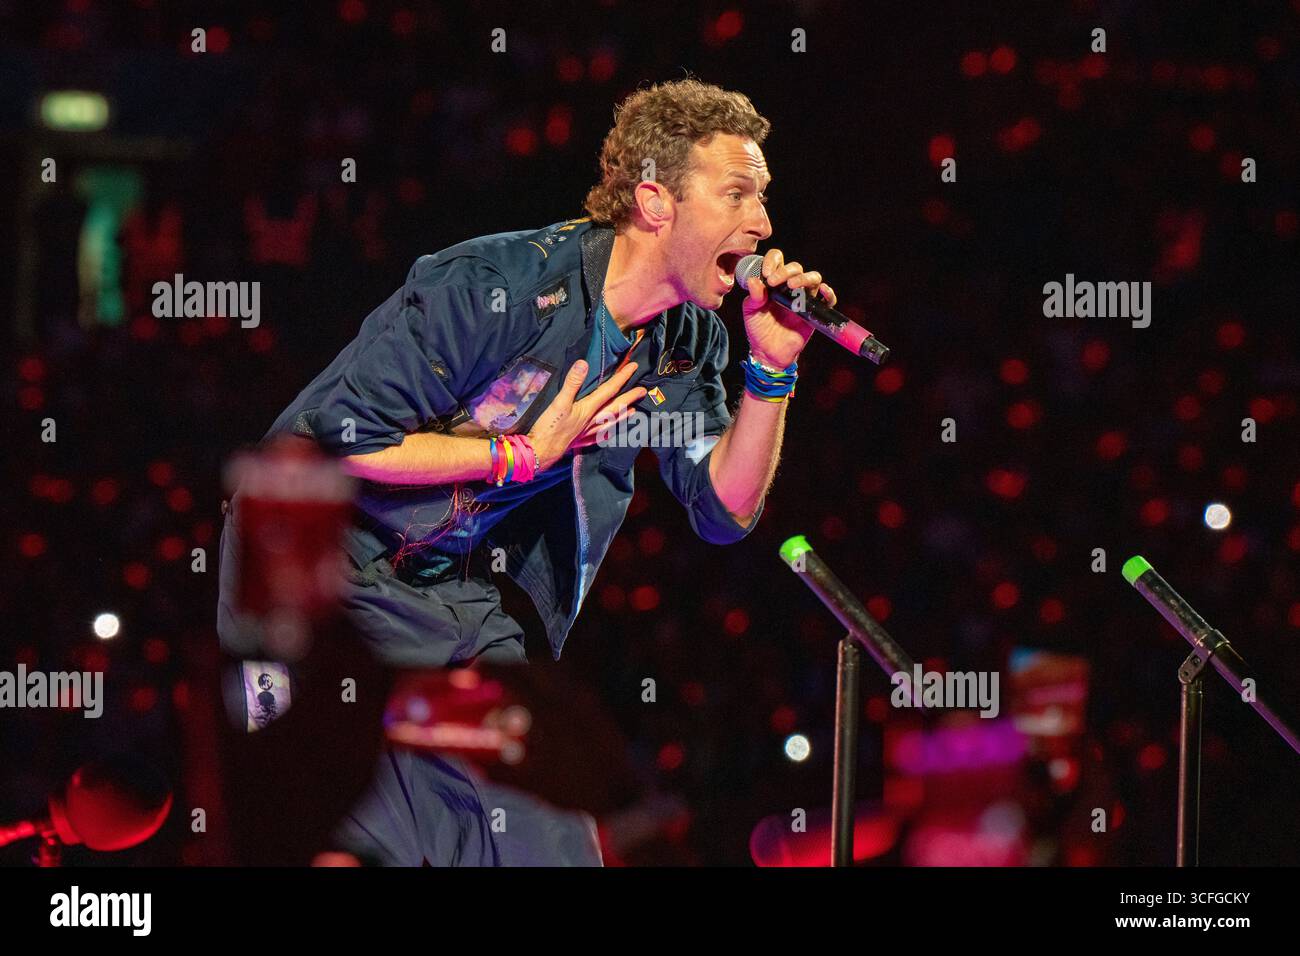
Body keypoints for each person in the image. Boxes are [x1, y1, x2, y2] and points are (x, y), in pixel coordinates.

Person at [217, 77, 837, 865]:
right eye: (740, 193)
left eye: (764, 196)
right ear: (655, 202)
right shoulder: (491, 287)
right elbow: (329, 444)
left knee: (549, 839)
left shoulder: (685, 339)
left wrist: (772, 374)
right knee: (340, 833)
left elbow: (723, 509)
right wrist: (518, 455)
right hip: (319, 579)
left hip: (459, 602)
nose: (764, 222)